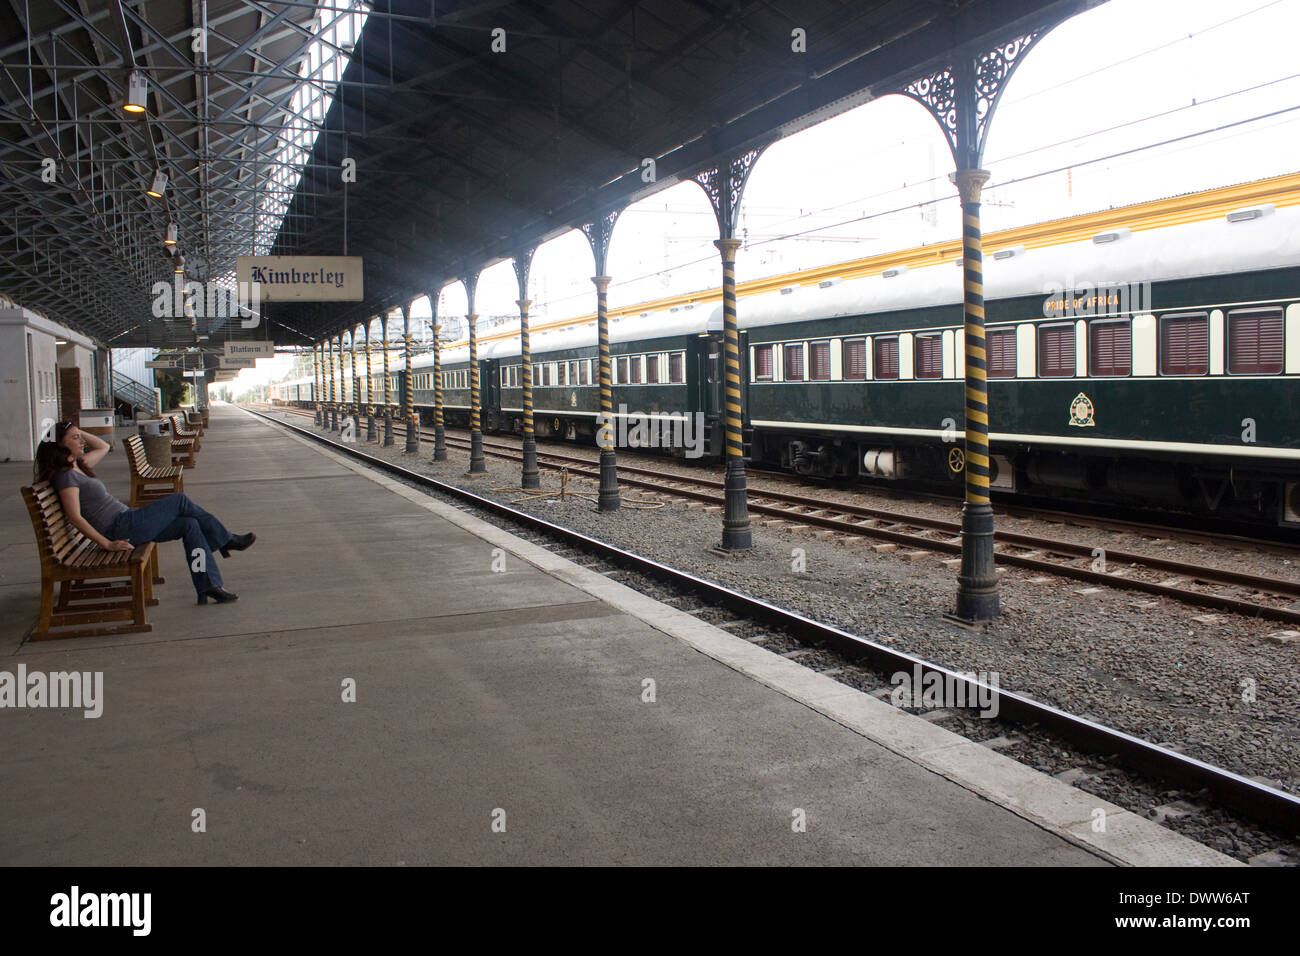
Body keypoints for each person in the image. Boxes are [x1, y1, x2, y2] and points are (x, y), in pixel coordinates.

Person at [34, 422, 255, 605]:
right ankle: (225, 540)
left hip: (129, 520)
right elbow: (74, 517)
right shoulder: (66, 477)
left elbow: (102, 446)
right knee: (180, 500)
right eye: (74, 438)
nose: (81, 440)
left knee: (190, 524)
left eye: (79, 436)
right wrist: (107, 544)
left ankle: (209, 585)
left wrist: (74, 429)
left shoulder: (77, 466)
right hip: (122, 527)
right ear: (60, 445)